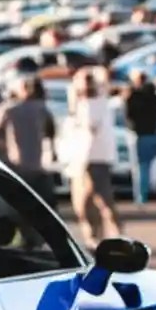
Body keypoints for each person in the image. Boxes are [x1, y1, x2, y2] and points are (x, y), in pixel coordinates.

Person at [66, 70, 122, 247]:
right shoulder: (79, 105)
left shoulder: (99, 102)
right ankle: (94, 237)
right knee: (84, 203)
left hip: (93, 158)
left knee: (100, 199)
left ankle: (116, 235)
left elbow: (104, 74)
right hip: (80, 159)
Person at [0, 76, 58, 209]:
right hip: (38, 169)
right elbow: (51, 134)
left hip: (14, 167)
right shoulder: (42, 109)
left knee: (15, 208)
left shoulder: (8, 109)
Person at [122, 70, 156, 207]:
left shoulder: (133, 96)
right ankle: (144, 194)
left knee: (138, 166)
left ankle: (140, 196)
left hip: (137, 133)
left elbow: (128, 114)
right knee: (146, 165)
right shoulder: (154, 96)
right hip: (151, 133)